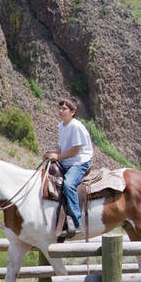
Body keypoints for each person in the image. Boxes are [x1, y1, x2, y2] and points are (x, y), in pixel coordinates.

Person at [43, 97, 93, 239]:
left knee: (68, 184)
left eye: (64, 109)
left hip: (79, 162)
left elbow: (76, 150)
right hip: (67, 161)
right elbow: (62, 147)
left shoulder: (76, 126)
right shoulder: (61, 126)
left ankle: (77, 222)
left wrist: (58, 157)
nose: (60, 111)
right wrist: (50, 153)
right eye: (59, 108)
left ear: (72, 112)